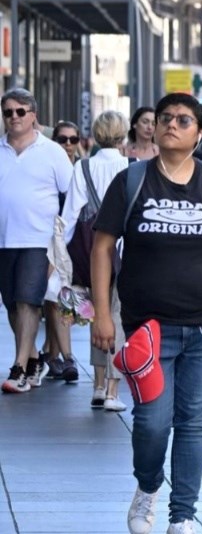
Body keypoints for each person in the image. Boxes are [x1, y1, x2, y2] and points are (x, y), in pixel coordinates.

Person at [89, 93, 202, 534]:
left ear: (200, 134)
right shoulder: (132, 182)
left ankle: (182, 515)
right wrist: (102, 314)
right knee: (150, 421)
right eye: (165, 118)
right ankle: (147, 487)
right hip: (149, 328)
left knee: (192, 422)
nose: (171, 124)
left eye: (184, 120)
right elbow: (103, 246)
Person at [0, 88, 73, 394]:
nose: (13, 117)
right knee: (12, 306)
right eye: (8, 112)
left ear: (33, 116)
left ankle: (17, 368)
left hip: (38, 240)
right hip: (5, 241)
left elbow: (71, 196)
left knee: (29, 301)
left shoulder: (52, 151)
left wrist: (61, 245)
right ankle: (32, 360)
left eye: (20, 111)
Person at [61, 111, 130, 410]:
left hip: (92, 251)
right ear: (123, 135)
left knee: (96, 317)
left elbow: (70, 215)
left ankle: (99, 385)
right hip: (126, 250)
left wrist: (62, 258)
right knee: (118, 317)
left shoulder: (83, 167)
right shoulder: (133, 167)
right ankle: (114, 389)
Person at [40, 121, 85, 383]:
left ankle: (58, 355)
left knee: (57, 298)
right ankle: (54, 353)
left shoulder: (80, 169)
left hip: (71, 244)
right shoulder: (50, 166)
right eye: (62, 139)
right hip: (47, 239)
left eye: (73, 139)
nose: (68, 144)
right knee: (52, 299)